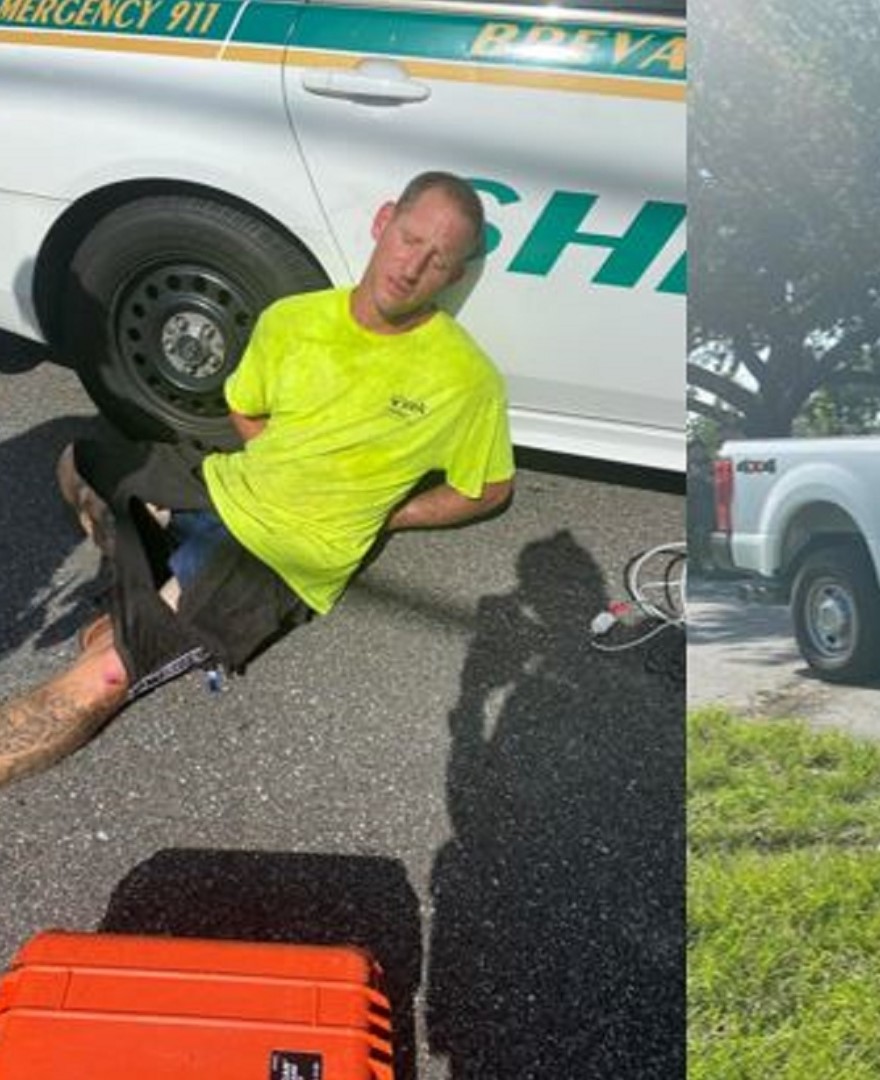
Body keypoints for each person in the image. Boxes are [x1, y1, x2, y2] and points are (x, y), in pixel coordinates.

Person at [0, 171, 515, 784]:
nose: (411, 268)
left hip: (279, 555)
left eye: (437, 262)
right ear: (383, 222)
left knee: (104, 673)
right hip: (224, 482)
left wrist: (395, 513)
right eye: (409, 239)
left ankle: (147, 607)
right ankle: (147, 581)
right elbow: (243, 406)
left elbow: (489, 489)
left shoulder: (465, 378)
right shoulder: (292, 319)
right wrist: (281, 463)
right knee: (78, 460)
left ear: (454, 276)